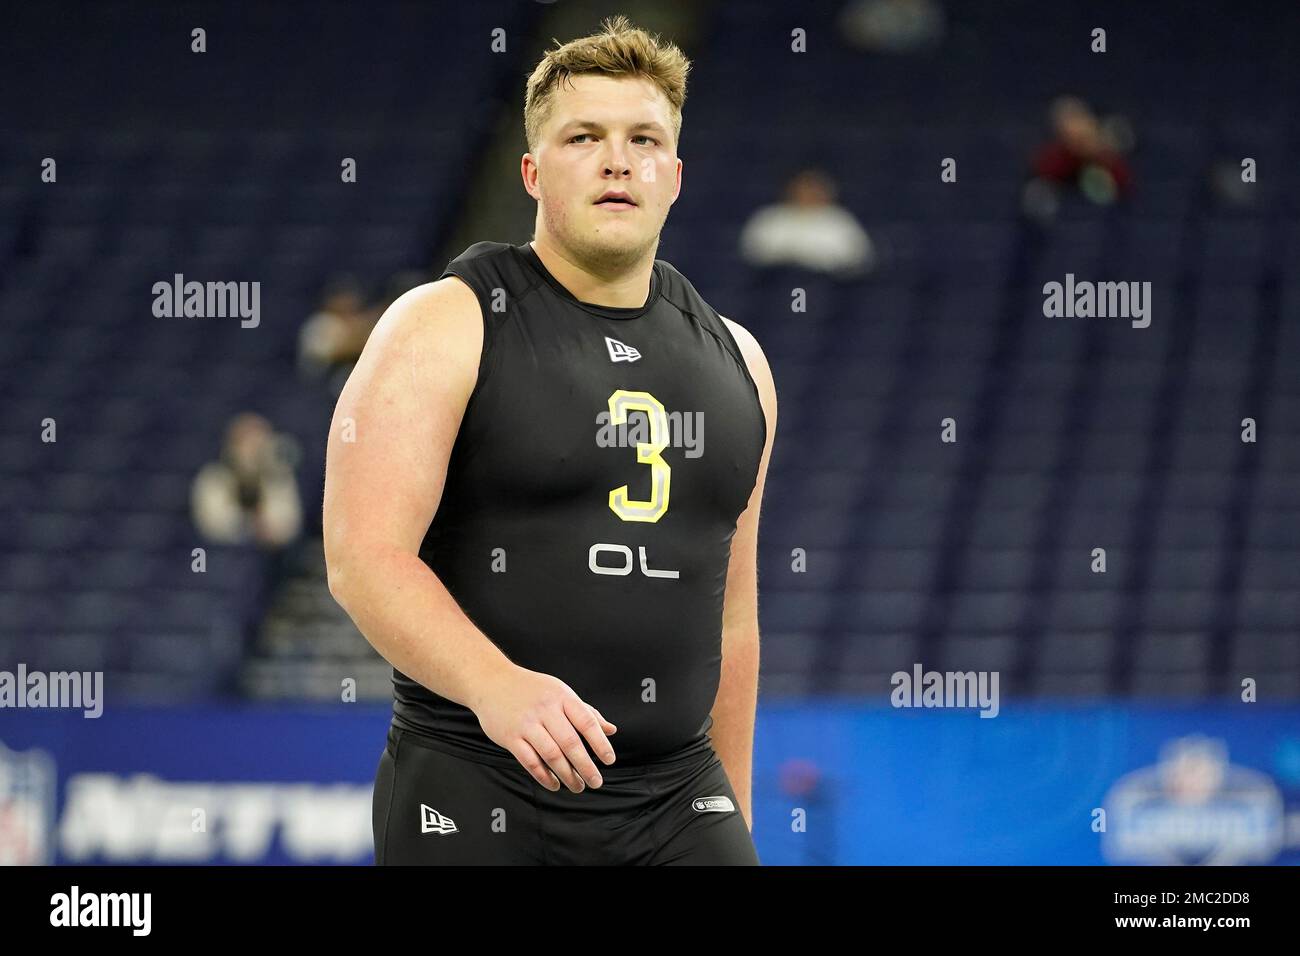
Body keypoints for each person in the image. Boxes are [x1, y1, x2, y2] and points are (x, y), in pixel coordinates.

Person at [323, 15, 777, 865]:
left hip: (677, 800)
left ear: (674, 177)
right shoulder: (443, 323)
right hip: (475, 782)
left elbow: (735, 622)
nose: (618, 159)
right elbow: (363, 557)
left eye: (644, 138)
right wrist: (496, 686)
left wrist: (736, 813)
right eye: (584, 137)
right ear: (531, 171)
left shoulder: (740, 361)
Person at [192, 412, 303, 550]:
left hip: (272, 557)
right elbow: (213, 525)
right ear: (233, 447)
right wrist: (252, 524)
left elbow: (287, 527)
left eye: (261, 445)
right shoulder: (213, 478)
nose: (254, 452)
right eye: (248, 444)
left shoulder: (279, 478)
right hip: (221, 555)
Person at [739, 166, 876, 277]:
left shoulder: (840, 219)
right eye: (803, 188)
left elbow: (858, 257)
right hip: (775, 285)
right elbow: (752, 252)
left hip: (828, 290)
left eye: (814, 189)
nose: (808, 194)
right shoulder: (769, 217)